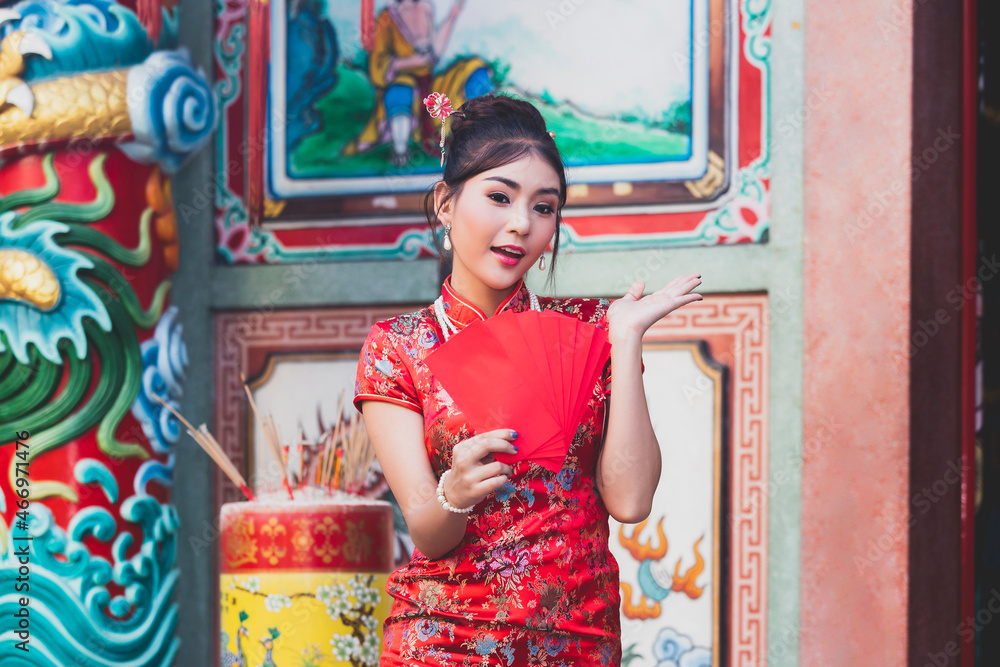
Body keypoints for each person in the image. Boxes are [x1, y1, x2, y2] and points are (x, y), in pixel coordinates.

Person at [354, 93, 703, 666]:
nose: (522, 224)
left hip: (578, 637)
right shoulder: (400, 345)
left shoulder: (593, 330)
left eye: (545, 207)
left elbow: (631, 500)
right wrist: (455, 492)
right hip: (445, 641)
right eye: (498, 196)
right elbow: (429, 533)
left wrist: (626, 340)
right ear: (445, 203)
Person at [344, 0, 493, 166]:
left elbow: (434, 53)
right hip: (402, 81)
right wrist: (410, 62)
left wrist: (452, 16)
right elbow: (378, 67)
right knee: (401, 91)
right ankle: (400, 150)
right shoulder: (388, 16)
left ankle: (482, 133)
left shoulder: (426, 7)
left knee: (473, 68)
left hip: (431, 84)